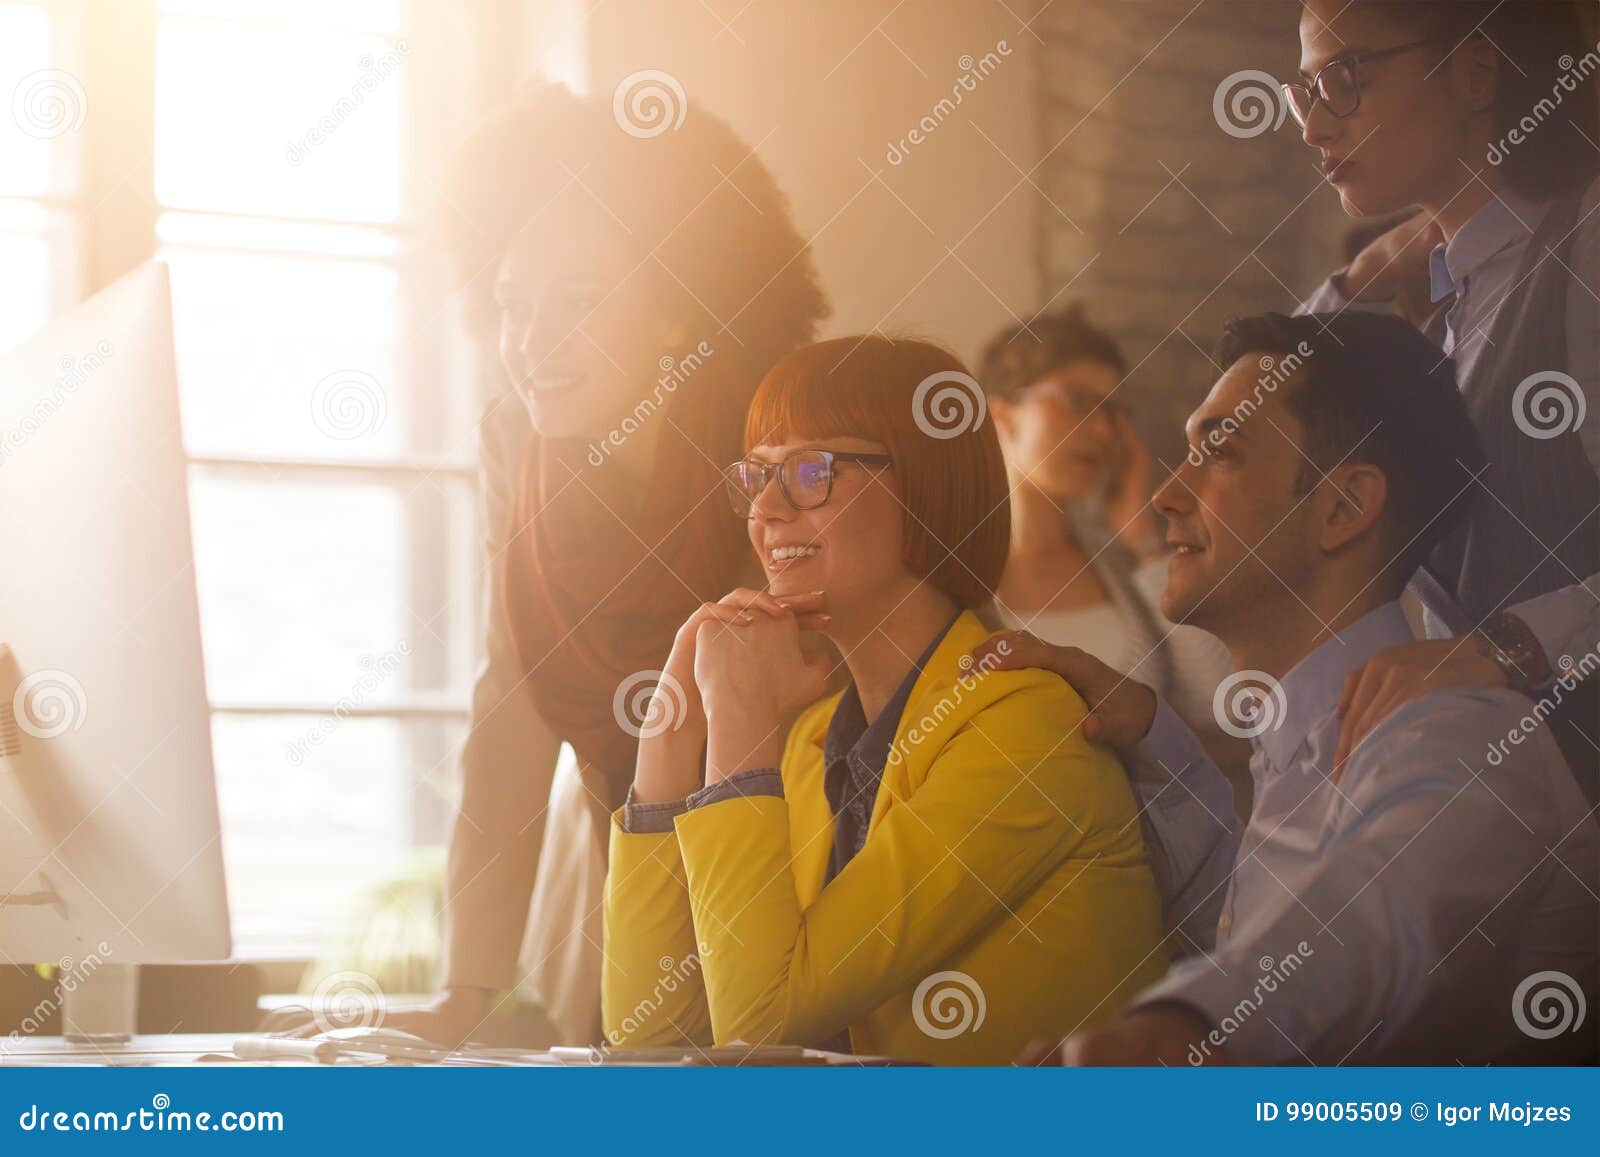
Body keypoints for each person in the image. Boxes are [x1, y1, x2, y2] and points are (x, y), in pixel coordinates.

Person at [979, 311, 1599, 1065]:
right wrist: (1152, 732)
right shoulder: (1299, 742)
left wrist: (1167, 1034)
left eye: (1222, 453)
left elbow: (1371, 920)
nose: (1167, 495)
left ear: (1343, 508)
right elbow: (1250, 917)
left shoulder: (1459, 737)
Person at [366, 84, 830, 1047]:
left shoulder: (785, 434)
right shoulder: (518, 447)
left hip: (806, 864)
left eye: (579, 303)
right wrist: (471, 983)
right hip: (622, 859)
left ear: (677, 311)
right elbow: (514, 700)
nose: (532, 343)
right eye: (510, 305)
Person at [600, 336, 1168, 1065]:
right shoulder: (812, 749)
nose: (765, 510)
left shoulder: (1023, 731)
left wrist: (738, 716)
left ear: (927, 486)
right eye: (757, 476)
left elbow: (758, 1037)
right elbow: (648, 1042)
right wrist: (669, 738)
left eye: (810, 471)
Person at [1290, 0, 1600, 798]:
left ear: (1476, 70)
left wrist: (1504, 645)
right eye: (1302, 91)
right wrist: (1356, 283)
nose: (1312, 125)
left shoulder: (1586, 247)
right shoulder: (1445, 297)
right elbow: (1263, 432)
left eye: (1343, 77)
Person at [979, 305, 1233, 741]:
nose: (1101, 430)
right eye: (1077, 401)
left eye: (1112, 411)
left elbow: (1217, 700)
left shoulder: (1124, 564)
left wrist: (1141, 537)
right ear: (1002, 414)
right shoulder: (945, 570)